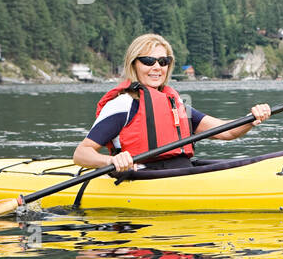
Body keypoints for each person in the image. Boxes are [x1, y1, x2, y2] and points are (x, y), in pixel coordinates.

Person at [73, 33, 271, 173]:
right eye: (148, 61)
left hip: (181, 172)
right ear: (134, 63)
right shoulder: (123, 104)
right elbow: (81, 154)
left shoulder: (176, 105)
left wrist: (251, 119)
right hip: (143, 176)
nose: (157, 67)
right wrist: (111, 160)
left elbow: (227, 132)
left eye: (163, 61)